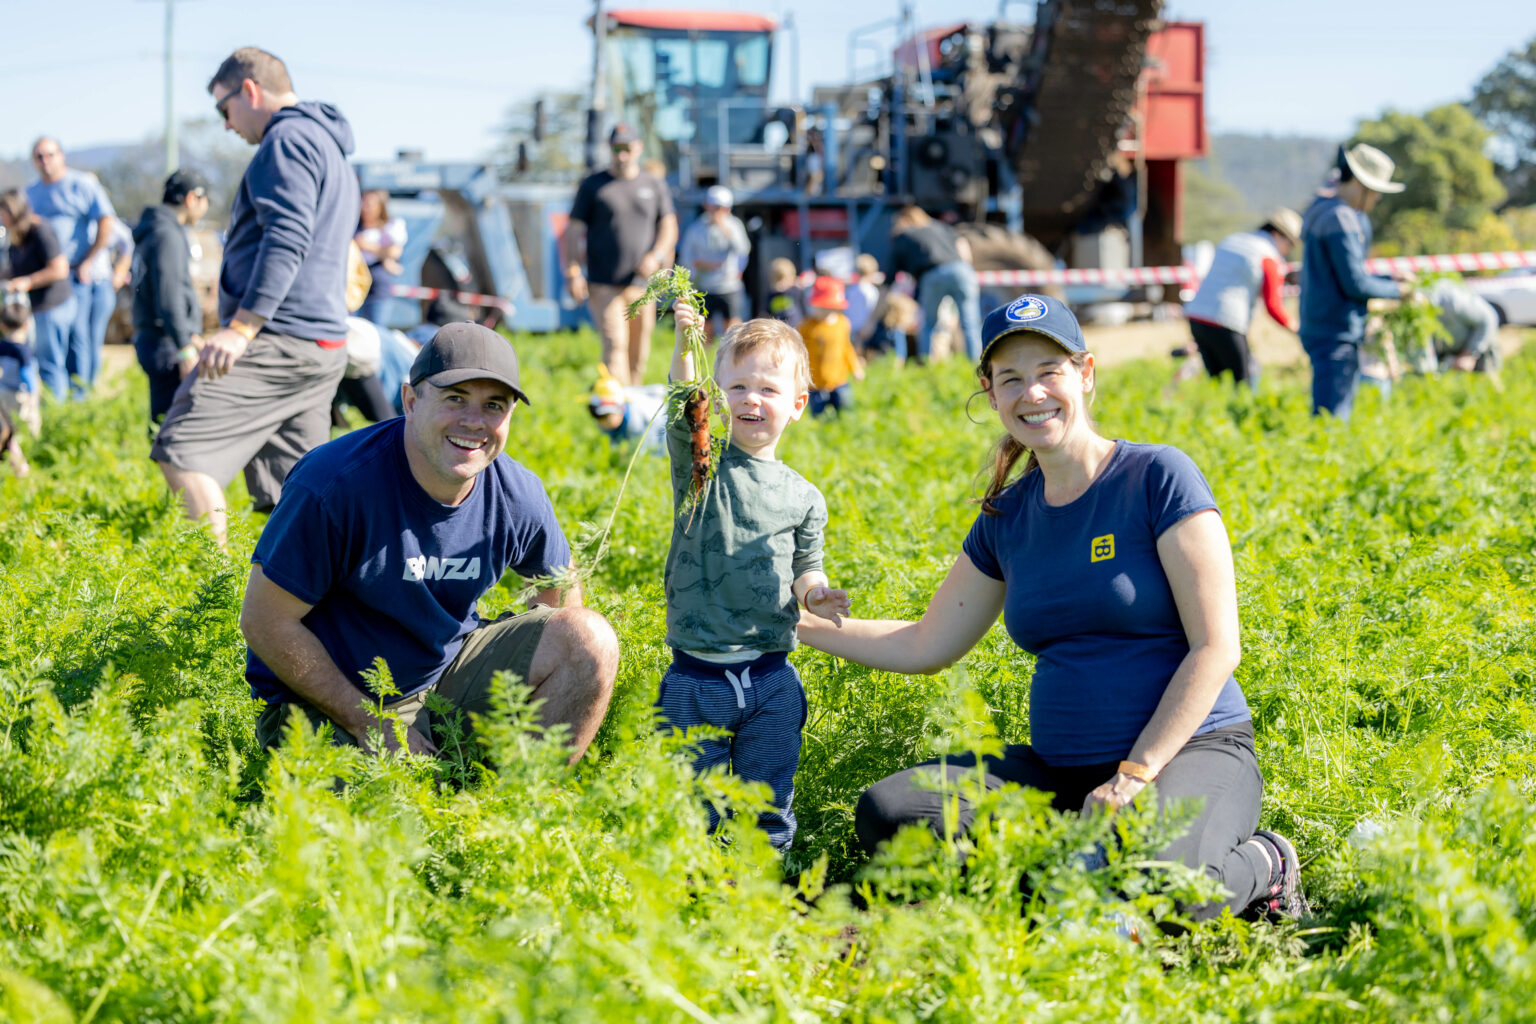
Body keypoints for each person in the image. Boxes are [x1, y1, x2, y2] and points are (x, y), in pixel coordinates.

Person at [797, 294, 1307, 922]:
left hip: (1191, 752)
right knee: (895, 813)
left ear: (1085, 374)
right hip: (1063, 778)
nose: (1032, 393)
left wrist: (1136, 773)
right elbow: (926, 642)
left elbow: (1216, 647)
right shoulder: (1007, 516)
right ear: (989, 394)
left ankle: (1267, 863)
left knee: (1169, 888)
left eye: (1049, 371)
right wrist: (794, 626)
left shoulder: (1157, 477)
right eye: (1011, 379)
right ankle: (1089, 877)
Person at [239, 322, 619, 760]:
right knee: (382, 820)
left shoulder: (516, 493)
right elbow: (266, 621)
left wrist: (529, 709)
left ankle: (520, 807)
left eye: (493, 405)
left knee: (590, 639)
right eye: (455, 398)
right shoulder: (335, 486)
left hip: (444, 684)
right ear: (411, 401)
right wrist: (367, 721)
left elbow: (563, 601)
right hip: (328, 702)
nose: (474, 422)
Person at [151, 47, 361, 546]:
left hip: (278, 339)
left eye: (223, 109)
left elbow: (286, 237)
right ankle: (312, 609)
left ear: (249, 90)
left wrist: (242, 326)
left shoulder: (285, 141)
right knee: (296, 494)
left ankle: (215, 594)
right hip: (323, 344)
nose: (226, 125)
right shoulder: (329, 145)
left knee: (181, 448)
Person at [659, 305, 850, 850]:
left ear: (797, 405)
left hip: (771, 679)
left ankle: (763, 899)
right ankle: (699, 906)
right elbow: (681, 404)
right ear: (717, 398)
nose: (750, 399)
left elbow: (805, 568)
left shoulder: (804, 497)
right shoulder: (702, 465)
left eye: (767, 388)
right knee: (695, 810)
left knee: (768, 801)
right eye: (736, 386)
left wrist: (816, 595)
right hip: (696, 680)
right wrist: (684, 341)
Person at [1298, 144, 1411, 418]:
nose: (1377, 200)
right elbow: (1355, 284)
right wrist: (1399, 290)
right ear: (1362, 186)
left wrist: (1385, 278)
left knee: (1327, 411)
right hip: (1336, 330)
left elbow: (1340, 274)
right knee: (1332, 418)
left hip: (1318, 324)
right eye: (1377, 193)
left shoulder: (1320, 209)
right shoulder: (1342, 217)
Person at [563, 124, 678, 386]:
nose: (622, 155)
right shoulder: (593, 185)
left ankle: (631, 403)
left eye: (627, 148)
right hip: (603, 285)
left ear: (638, 148)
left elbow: (669, 226)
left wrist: (657, 255)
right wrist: (572, 271)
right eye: (617, 149)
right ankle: (618, 408)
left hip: (642, 286)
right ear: (610, 149)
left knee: (639, 351)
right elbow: (573, 230)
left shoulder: (654, 185)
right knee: (615, 344)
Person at [26, 137, 119, 399]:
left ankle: (82, 396)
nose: (45, 161)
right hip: (49, 277)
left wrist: (88, 260)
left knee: (80, 339)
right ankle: (59, 397)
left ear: (61, 156)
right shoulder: (31, 193)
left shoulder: (82, 185)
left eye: (50, 155)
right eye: (39, 156)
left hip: (78, 275)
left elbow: (106, 220)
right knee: (54, 341)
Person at [1182, 209, 1302, 388]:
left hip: (1197, 316)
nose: (1288, 250)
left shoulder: (1233, 240)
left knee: (1217, 382)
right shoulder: (1269, 256)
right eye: (1290, 244)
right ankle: (1242, 414)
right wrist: (1299, 329)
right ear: (1278, 235)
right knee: (1245, 382)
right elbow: (1273, 306)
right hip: (1226, 322)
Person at [130, 168, 211, 428]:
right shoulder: (168, 235)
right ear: (191, 199)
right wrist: (184, 345)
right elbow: (169, 294)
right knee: (174, 429)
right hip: (166, 343)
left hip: (155, 338)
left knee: (165, 422)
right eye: (205, 200)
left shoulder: (154, 229)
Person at [0, 190, 77, 399]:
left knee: (50, 365)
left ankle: (57, 419)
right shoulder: (18, 236)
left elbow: (60, 269)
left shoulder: (40, 230)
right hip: (39, 307)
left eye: (4, 214)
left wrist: (28, 282)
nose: (2, 219)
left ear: (15, 212)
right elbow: (16, 268)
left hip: (53, 306)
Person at [888, 206, 983, 362]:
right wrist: (967, 268)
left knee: (929, 324)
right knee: (970, 323)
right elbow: (962, 244)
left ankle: (925, 363)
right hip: (961, 270)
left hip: (932, 274)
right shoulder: (940, 226)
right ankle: (976, 364)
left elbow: (891, 272)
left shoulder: (905, 234)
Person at [677, 185, 750, 342]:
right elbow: (686, 256)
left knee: (732, 326)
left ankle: (732, 359)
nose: (718, 212)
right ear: (707, 206)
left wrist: (724, 228)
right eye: (716, 207)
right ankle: (706, 362)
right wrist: (700, 266)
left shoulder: (734, 226)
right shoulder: (697, 228)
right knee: (704, 326)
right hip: (704, 286)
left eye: (723, 208)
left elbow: (743, 249)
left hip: (728, 286)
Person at [798, 276, 863, 417]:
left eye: (829, 308)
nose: (824, 311)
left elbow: (847, 348)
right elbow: (799, 354)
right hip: (815, 384)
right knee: (819, 417)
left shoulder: (842, 323)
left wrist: (855, 368)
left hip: (839, 381)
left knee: (845, 413)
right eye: (820, 307)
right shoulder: (807, 327)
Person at [1422, 278, 1502, 373]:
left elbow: (1489, 318)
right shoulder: (1413, 313)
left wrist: (1469, 355)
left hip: (1478, 349)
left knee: (1486, 383)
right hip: (1446, 356)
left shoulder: (1451, 300)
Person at [355, 189, 407, 325]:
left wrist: (368, 246)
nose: (365, 207)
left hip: (378, 289)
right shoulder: (355, 226)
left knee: (376, 330)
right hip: (355, 287)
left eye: (370, 204)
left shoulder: (389, 227)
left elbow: (394, 251)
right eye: (364, 202)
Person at [587, 363, 666, 453]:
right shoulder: (611, 401)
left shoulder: (634, 421)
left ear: (621, 408)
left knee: (657, 450)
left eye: (607, 418)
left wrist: (630, 455)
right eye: (599, 419)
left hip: (658, 422)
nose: (603, 424)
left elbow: (640, 446)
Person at [0, 297, 37, 476]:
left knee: (7, 429)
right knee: (25, 429)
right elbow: (27, 374)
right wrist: (33, 393)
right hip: (19, 394)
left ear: (2, 326)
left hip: (2, 392)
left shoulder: (1, 345)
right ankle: (24, 462)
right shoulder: (23, 350)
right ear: (27, 324)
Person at [765, 258, 803, 326]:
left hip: (796, 326)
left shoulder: (794, 291)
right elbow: (768, 311)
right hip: (780, 328)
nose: (782, 284)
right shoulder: (771, 295)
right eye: (779, 280)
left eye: (785, 279)